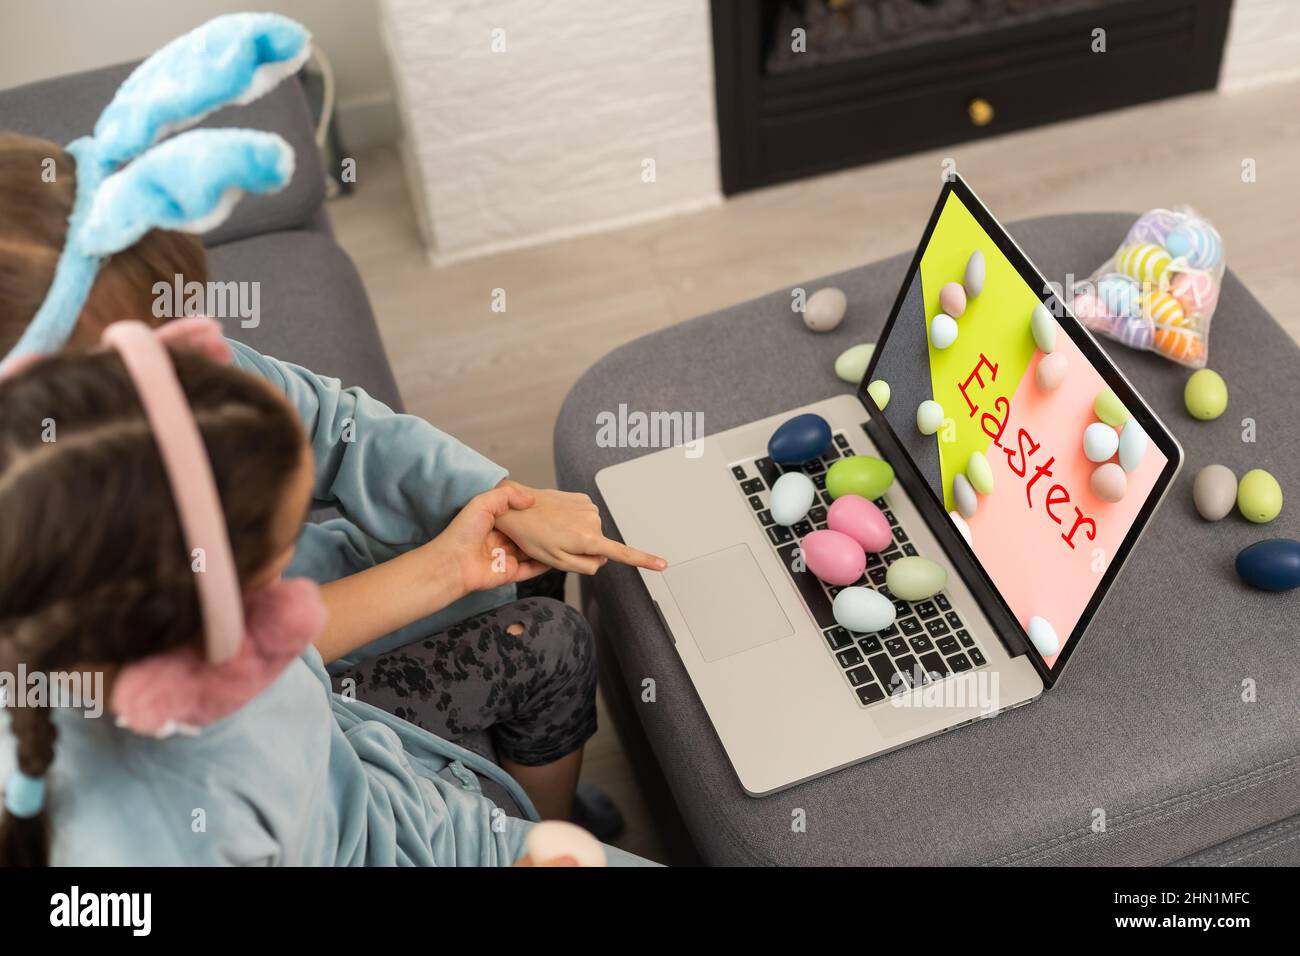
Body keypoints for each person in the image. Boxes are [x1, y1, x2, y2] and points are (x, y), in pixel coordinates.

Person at [0, 326, 653, 866]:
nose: (293, 579)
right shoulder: (195, 802)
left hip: (436, 827)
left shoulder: (217, 675)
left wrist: (512, 841)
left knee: (528, 590)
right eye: (283, 556)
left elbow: (359, 800)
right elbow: (355, 825)